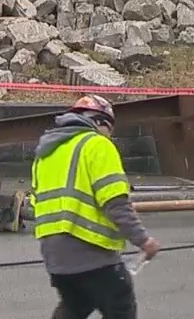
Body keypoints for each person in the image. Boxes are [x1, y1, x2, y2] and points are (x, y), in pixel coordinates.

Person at [31, 94, 160, 319]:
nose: (110, 135)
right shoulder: (97, 145)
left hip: (54, 254)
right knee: (121, 304)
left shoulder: (46, 153)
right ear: (100, 123)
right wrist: (143, 240)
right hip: (89, 250)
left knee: (76, 304)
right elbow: (115, 203)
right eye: (110, 129)